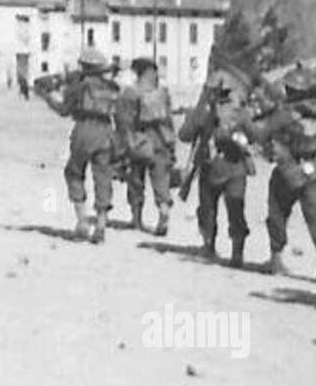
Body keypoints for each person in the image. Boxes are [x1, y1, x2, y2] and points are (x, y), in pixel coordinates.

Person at [254, 70, 316, 284]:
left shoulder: (283, 115)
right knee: (315, 213)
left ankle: (276, 258)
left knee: (277, 211)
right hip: (315, 169)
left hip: (288, 170)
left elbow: (265, 139)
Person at [39, 47, 122, 244]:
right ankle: (101, 224)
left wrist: (47, 97)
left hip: (84, 130)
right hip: (106, 131)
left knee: (74, 172)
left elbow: (64, 110)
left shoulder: (79, 87)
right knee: (103, 177)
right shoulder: (112, 87)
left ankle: (82, 221)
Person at [178, 71, 257, 266]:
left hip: (226, 165)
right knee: (216, 209)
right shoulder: (210, 111)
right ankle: (218, 247)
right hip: (218, 166)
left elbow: (255, 135)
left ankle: (227, 250)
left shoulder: (236, 112)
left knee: (227, 208)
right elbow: (185, 135)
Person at [119, 57, 176, 235]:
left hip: (140, 139)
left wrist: (124, 145)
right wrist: (171, 144)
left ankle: (136, 219)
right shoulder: (162, 92)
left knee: (136, 180)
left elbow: (125, 120)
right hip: (161, 138)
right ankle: (163, 210)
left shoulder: (131, 92)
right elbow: (169, 119)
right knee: (161, 179)